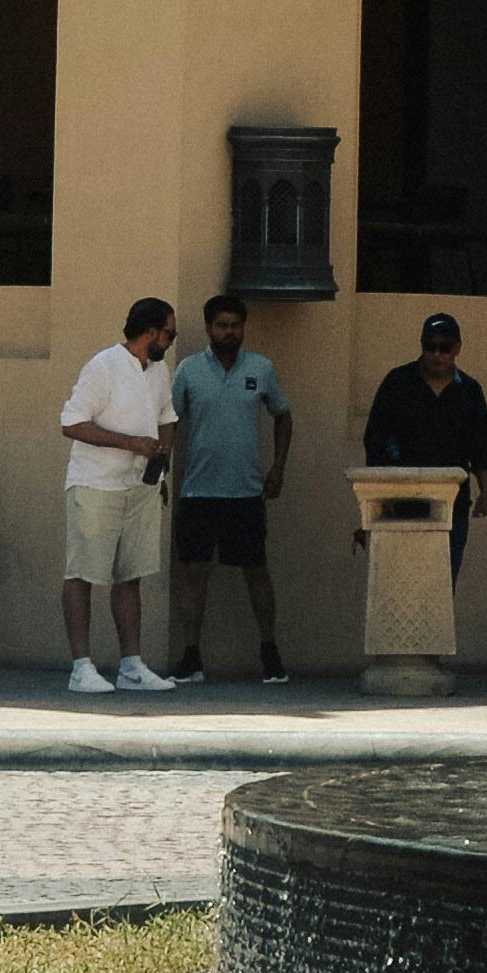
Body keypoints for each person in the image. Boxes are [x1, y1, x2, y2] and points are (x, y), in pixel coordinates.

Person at [165, 289, 295, 684]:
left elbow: (283, 416)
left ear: (243, 328)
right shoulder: (188, 370)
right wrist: (162, 474)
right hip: (198, 491)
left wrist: (278, 467)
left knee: (257, 572)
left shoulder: (262, 368)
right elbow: (169, 423)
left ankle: (270, 652)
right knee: (194, 573)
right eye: (222, 325)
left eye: (235, 325)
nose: (229, 331)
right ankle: (191, 657)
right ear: (208, 328)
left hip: (246, 491)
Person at [58, 298, 180, 693]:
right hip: (95, 484)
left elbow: (167, 419)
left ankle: (131, 666)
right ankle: (81, 667)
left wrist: (161, 460)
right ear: (149, 333)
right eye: (169, 334)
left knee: (130, 576)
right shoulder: (103, 366)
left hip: (140, 487)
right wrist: (130, 443)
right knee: (83, 574)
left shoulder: (159, 371)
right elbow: (72, 423)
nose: (171, 341)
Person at [361, 311, 487, 592]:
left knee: (442, 590)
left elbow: (482, 446)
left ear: (458, 348)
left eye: (444, 348)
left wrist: (486, 492)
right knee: (398, 587)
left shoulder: (469, 391)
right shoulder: (397, 383)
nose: (437, 354)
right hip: (400, 505)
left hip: (451, 507)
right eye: (430, 346)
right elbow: (375, 439)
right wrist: (378, 497)